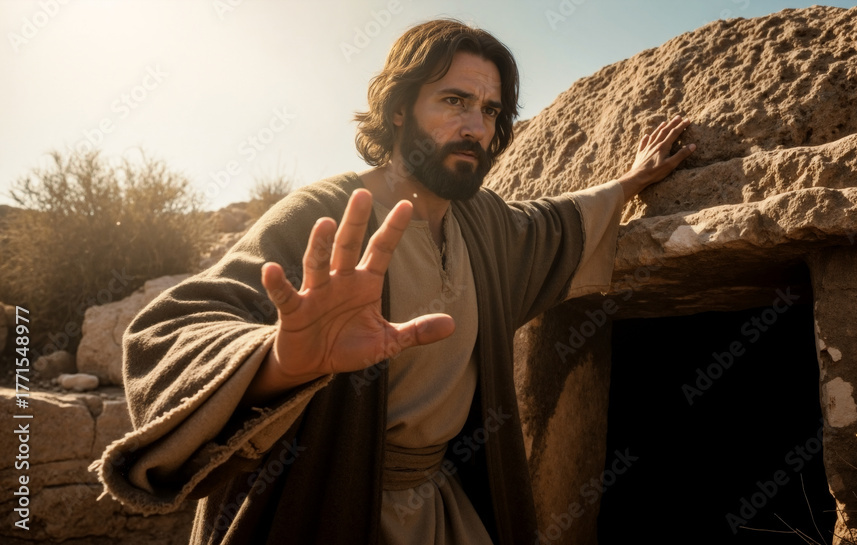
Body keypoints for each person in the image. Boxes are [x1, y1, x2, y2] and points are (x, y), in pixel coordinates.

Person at [94, 19, 694, 545]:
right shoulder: (325, 215)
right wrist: (280, 361)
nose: (475, 127)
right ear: (401, 108)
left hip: (438, 507)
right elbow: (169, 329)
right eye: (454, 101)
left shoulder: (483, 225)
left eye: (489, 110)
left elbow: (556, 226)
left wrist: (627, 184)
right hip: (319, 502)